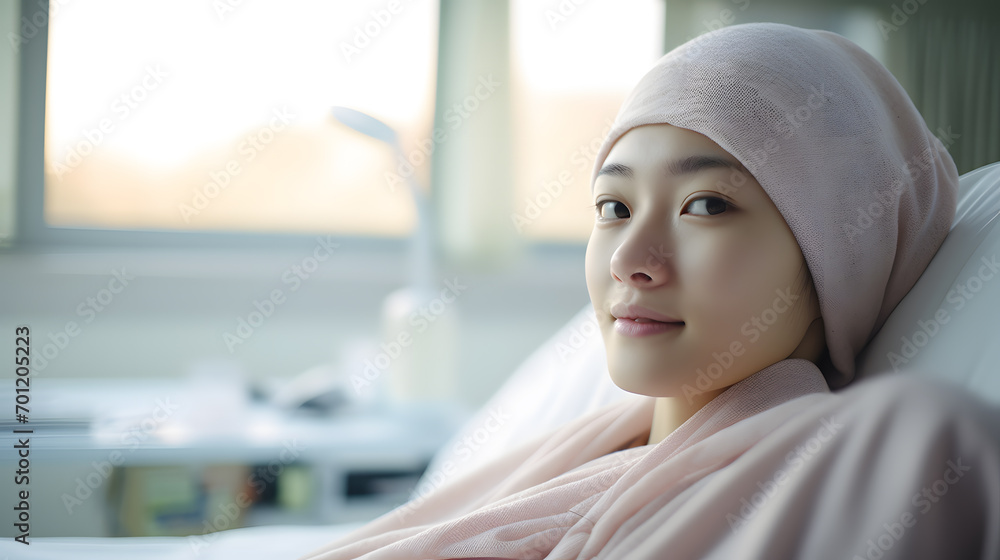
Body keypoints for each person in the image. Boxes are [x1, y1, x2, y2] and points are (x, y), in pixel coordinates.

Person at [298, 22, 1000, 559]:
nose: (630, 260)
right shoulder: (575, 452)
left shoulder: (897, 443)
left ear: (841, 254)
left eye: (705, 205)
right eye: (614, 208)